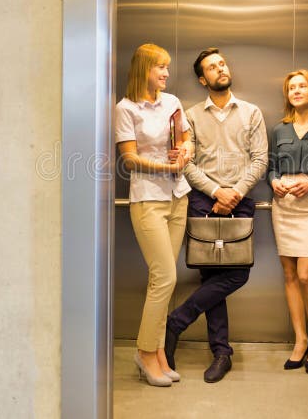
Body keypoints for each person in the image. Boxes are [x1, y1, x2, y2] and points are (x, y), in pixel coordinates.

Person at [164, 47, 268, 383]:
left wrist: (234, 192)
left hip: (241, 201)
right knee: (211, 279)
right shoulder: (191, 116)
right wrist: (215, 193)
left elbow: (260, 161)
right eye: (212, 67)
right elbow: (188, 163)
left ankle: (175, 322)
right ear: (202, 78)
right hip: (203, 203)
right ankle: (221, 352)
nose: (220, 69)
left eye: (222, 63)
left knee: (237, 274)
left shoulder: (251, 113)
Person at [115, 43, 193, 387]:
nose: (165, 72)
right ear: (144, 68)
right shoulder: (125, 108)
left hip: (179, 197)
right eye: (160, 67)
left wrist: (186, 154)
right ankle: (145, 352)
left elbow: (188, 139)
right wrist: (165, 165)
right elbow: (129, 158)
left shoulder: (172, 102)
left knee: (163, 278)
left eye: (167, 67)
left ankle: (158, 353)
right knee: (165, 278)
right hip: (148, 200)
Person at [268, 69, 308, 373]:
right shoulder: (279, 129)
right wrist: (274, 181)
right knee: (290, 274)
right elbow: (271, 165)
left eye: (302, 86)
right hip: (284, 207)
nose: (296, 91)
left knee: (307, 275)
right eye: (291, 87)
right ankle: (300, 340)